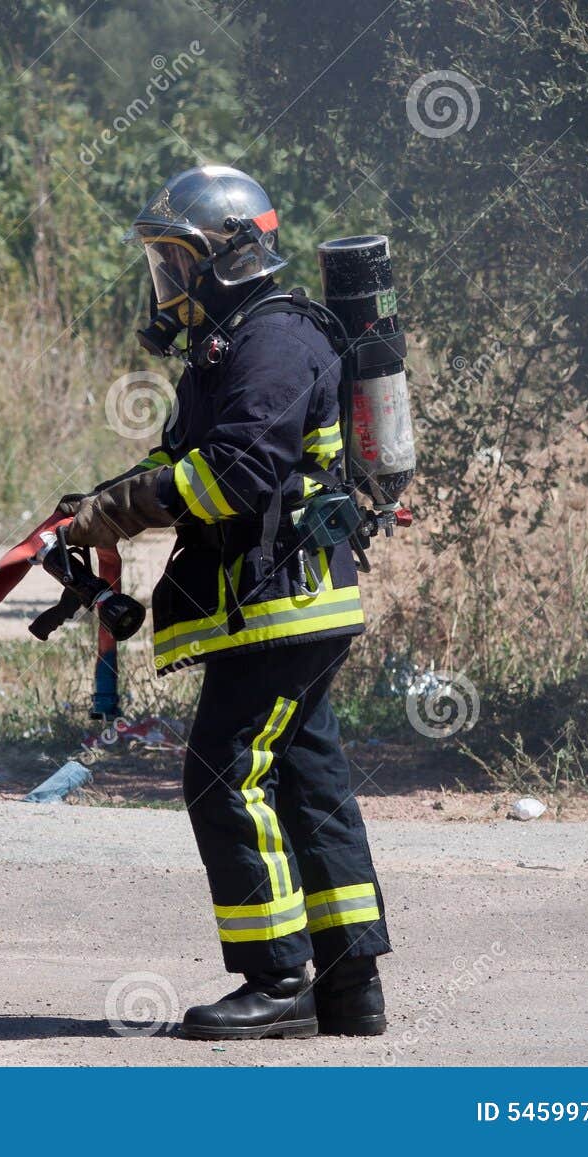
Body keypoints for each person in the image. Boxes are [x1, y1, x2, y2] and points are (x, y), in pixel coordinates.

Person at [62, 165, 391, 1040]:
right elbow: (186, 460)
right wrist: (97, 504)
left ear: (233, 254)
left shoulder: (275, 338)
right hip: (278, 605)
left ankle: (276, 977)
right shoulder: (230, 342)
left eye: (178, 261)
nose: (168, 282)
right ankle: (350, 985)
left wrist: (130, 506)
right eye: (162, 264)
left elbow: (235, 473)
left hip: (283, 604)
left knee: (223, 771)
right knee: (309, 780)